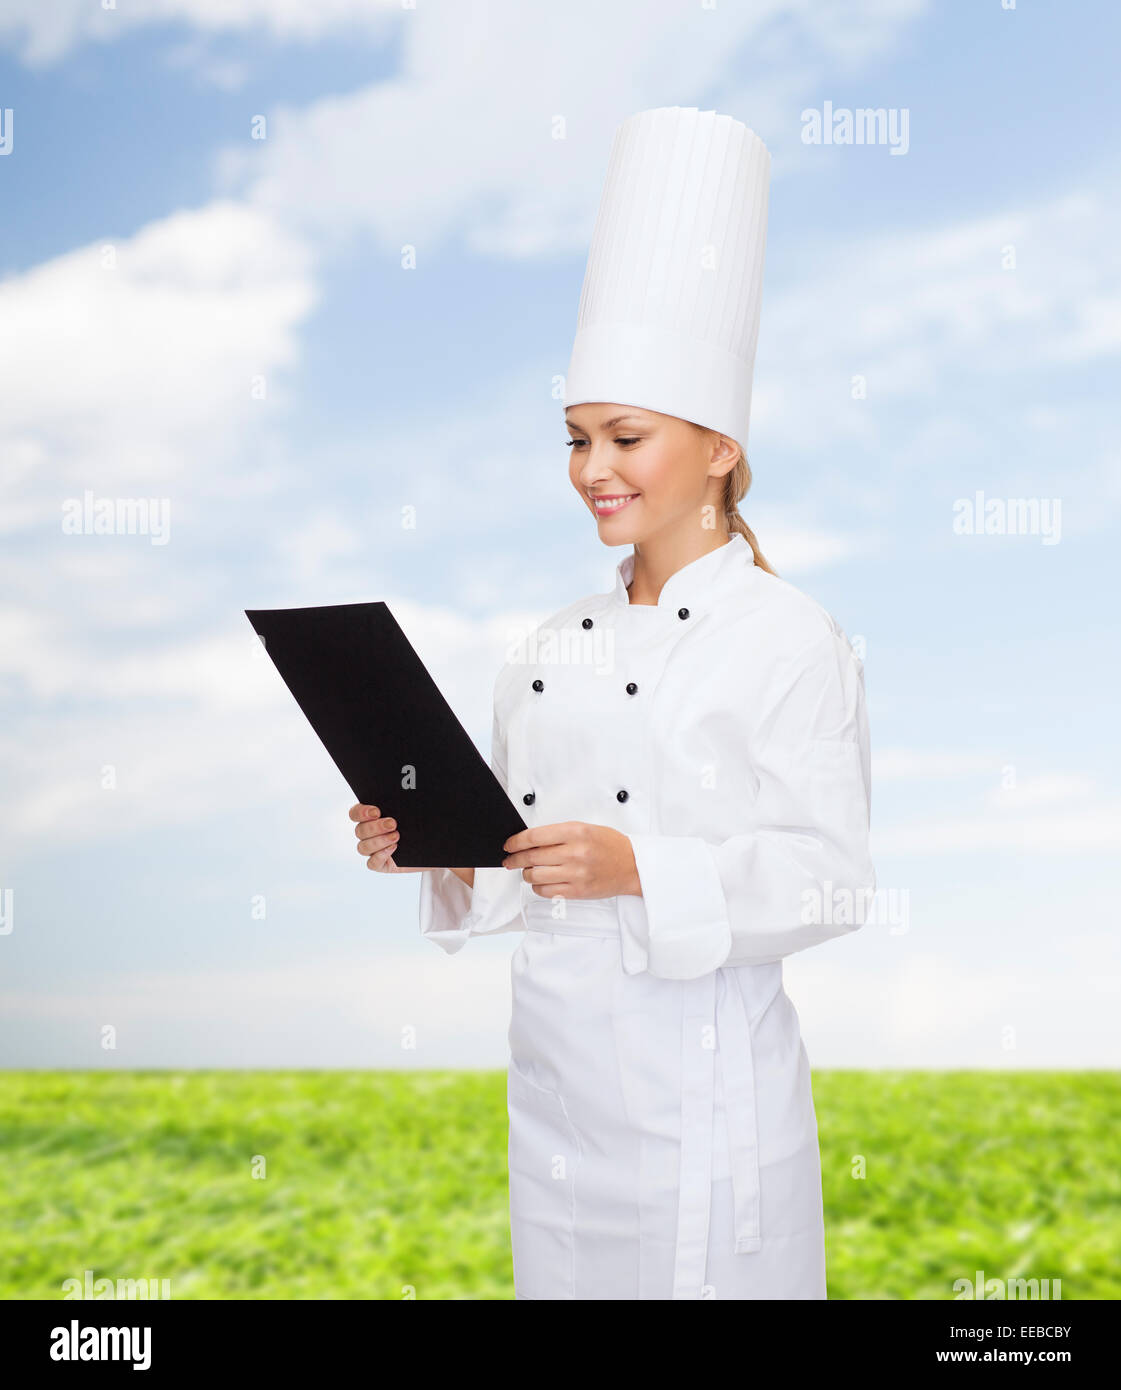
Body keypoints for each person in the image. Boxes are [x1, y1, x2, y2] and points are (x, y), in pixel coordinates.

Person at [349, 106, 875, 1300]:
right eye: (577, 438)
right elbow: (517, 868)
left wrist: (640, 864)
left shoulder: (789, 639)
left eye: (625, 437)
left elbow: (827, 873)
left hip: (707, 1132)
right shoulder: (546, 647)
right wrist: (428, 848)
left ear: (720, 450)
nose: (593, 470)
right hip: (556, 1119)